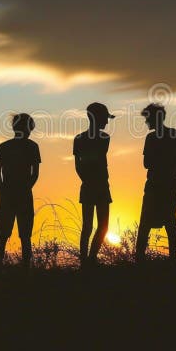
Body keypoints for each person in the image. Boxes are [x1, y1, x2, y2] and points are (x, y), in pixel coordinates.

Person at [136, 103, 176, 263]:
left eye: (147, 118)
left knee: (146, 225)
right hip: (168, 184)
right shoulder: (174, 134)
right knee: (169, 223)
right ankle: (171, 262)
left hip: (156, 185)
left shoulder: (151, 138)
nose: (146, 122)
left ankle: (139, 262)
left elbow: (146, 164)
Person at [0, 113, 41, 271]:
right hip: (22, 195)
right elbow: (35, 174)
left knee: (3, 235)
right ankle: (25, 271)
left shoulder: (4, 147)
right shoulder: (32, 147)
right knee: (24, 236)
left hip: (9, 195)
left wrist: (2, 191)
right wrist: (26, 189)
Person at [74, 102, 115, 266]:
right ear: (97, 118)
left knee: (91, 226)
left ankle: (88, 259)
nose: (106, 122)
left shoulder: (80, 139)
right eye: (104, 118)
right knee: (96, 226)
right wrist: (88, 179)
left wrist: (85, 178)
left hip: (93, 184)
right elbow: (85, 161)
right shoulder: (104, 138)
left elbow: (78, 164)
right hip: (97, 184)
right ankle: (88, 260)